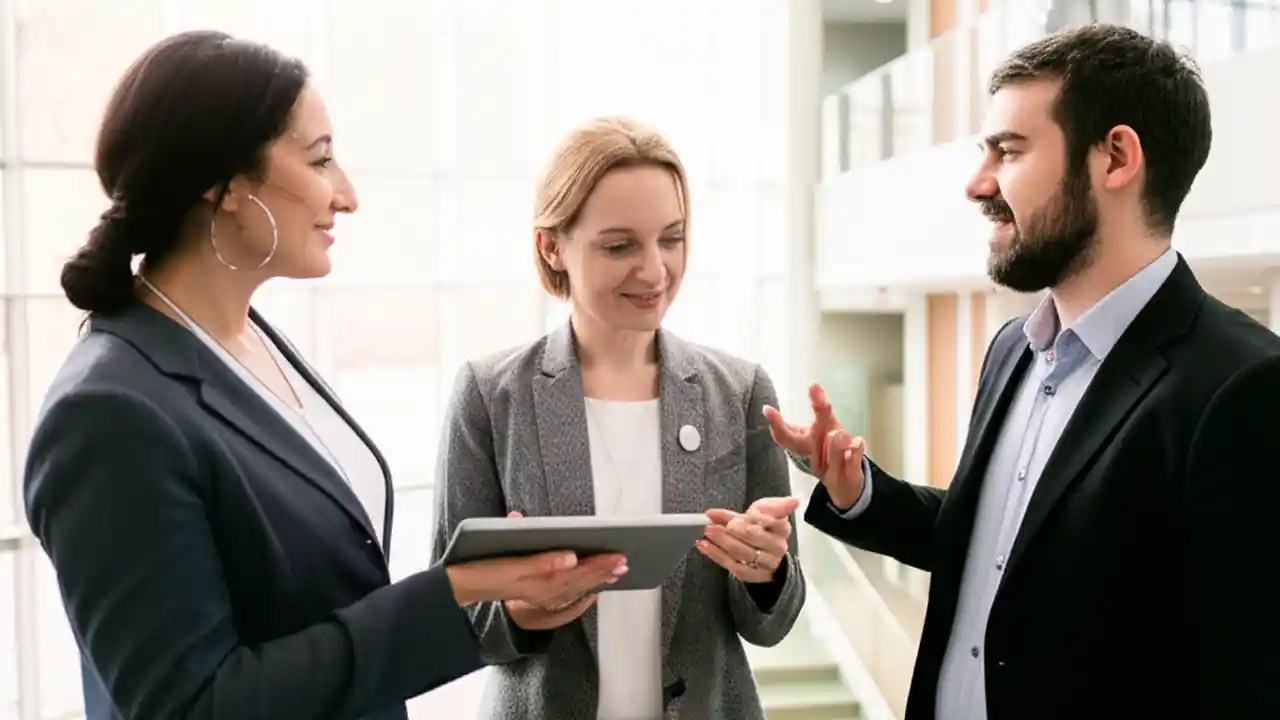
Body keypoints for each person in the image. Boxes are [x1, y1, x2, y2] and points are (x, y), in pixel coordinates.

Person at [23, 31, 625, 720]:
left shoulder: (251, 342)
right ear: (223, 184)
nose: (347, 195)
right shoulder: (109, 415)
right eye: (321, 160)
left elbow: (313, 604)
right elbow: (192, 706)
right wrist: (450, 594)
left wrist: (493, 602)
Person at [766, 23, 1280, 720]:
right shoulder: (1013, 347)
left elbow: (1245, 680)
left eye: (1008, 150)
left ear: (1116, 158)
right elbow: (1000, 543)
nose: (978, 184)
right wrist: (858, 491)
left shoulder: (1244, 386)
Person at [429, 117, 806, 719]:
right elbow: (450, 614)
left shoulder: (737, 392)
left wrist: (765, 570)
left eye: (672, 239)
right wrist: (522, 611)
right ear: (551, 246)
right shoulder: (491, 395)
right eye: (619, 245)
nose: (654, 270)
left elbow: (772, 624)